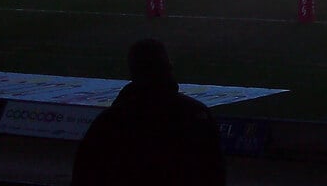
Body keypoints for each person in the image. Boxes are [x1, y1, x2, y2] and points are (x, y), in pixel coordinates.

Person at [71, 38, 226, 185]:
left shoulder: (110, 121)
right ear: (169, 67)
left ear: (132, 71)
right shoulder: (197, 114)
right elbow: (215, 172)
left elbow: (84, 174)